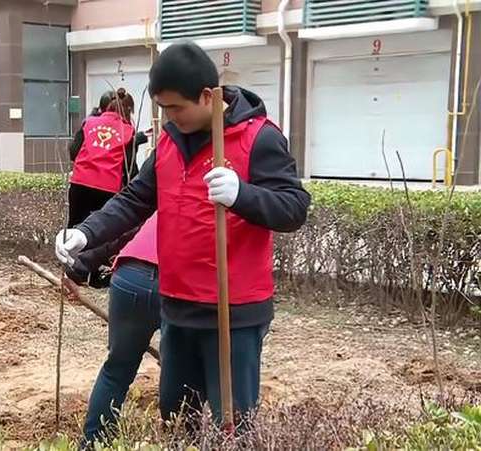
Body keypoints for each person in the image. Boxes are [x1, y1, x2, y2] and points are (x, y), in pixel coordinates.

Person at [55, 42, 310, 429]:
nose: (170, 117)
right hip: (176, 306)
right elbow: (135, 200)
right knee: (176, 419)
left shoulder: (259, 138)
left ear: (208, 96)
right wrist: (85, 234)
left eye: (177, 108)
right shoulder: (170, 141)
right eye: (163, 109)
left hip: (233, 310)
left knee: (233, 424)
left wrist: (244, 194)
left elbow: (294, 208)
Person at [72, 214, 160, 444]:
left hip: (129, 276)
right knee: (183, 374)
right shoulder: (226, 205)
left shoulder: (170, 195)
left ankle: (93, 445)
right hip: (176, 283)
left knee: (116, 372)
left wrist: (81, 265)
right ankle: (187, 440)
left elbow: (126, 229)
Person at [67, 88, 149, 286]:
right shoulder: (127, 129)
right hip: (106, 186)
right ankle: (91, 275)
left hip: (79, 182)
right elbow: (129, 165)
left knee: (76, 226)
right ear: (128, 110)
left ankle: (68, 266)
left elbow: (74, 151)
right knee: (101, 231)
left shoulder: (89, 123)